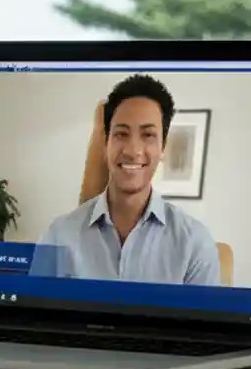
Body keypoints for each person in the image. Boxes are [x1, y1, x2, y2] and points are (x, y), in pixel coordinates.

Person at [29, 74, 221, 286]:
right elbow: (38, 316)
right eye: (121, 134)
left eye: (148, 135)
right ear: (106, 143)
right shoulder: (58, 235)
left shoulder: (195, 244)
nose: (133, 151)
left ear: (163, 146)